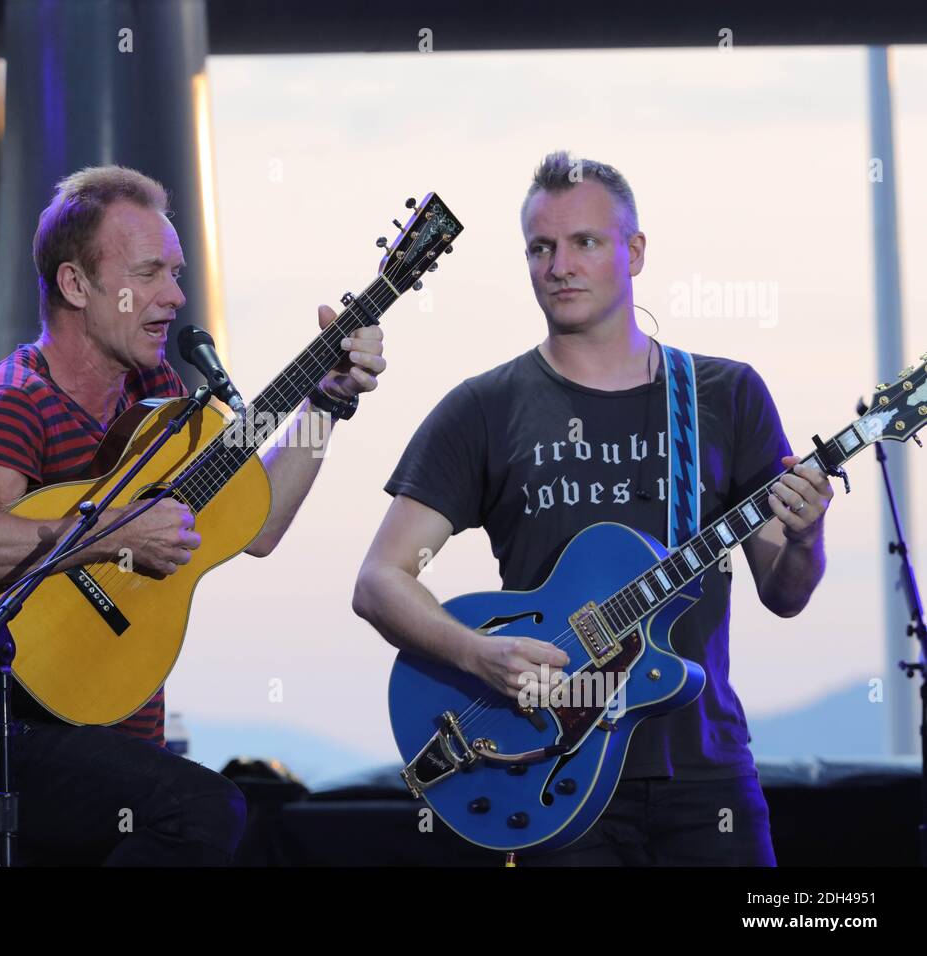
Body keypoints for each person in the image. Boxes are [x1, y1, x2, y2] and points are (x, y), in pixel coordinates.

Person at [353, 151, 833, 866]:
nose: (560, 266)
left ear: (634, 252)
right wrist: (479, 655)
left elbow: (785, 594)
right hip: (547, 775)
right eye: (540, 248)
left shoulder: (725, 395)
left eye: (585, 242)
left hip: (704, 772)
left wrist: (807, 535)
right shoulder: (484, 407)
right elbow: (379, 581)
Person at [0, 165, 386, 865]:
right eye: (149, 274)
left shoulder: (158, 393)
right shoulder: (17, 398)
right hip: (7, 729)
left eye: (176, 272)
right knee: (206, 811)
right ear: (76, 285)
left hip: (112, 722)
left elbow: (258, 528)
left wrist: (326, 401)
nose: (176, 295)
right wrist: (110, 534)